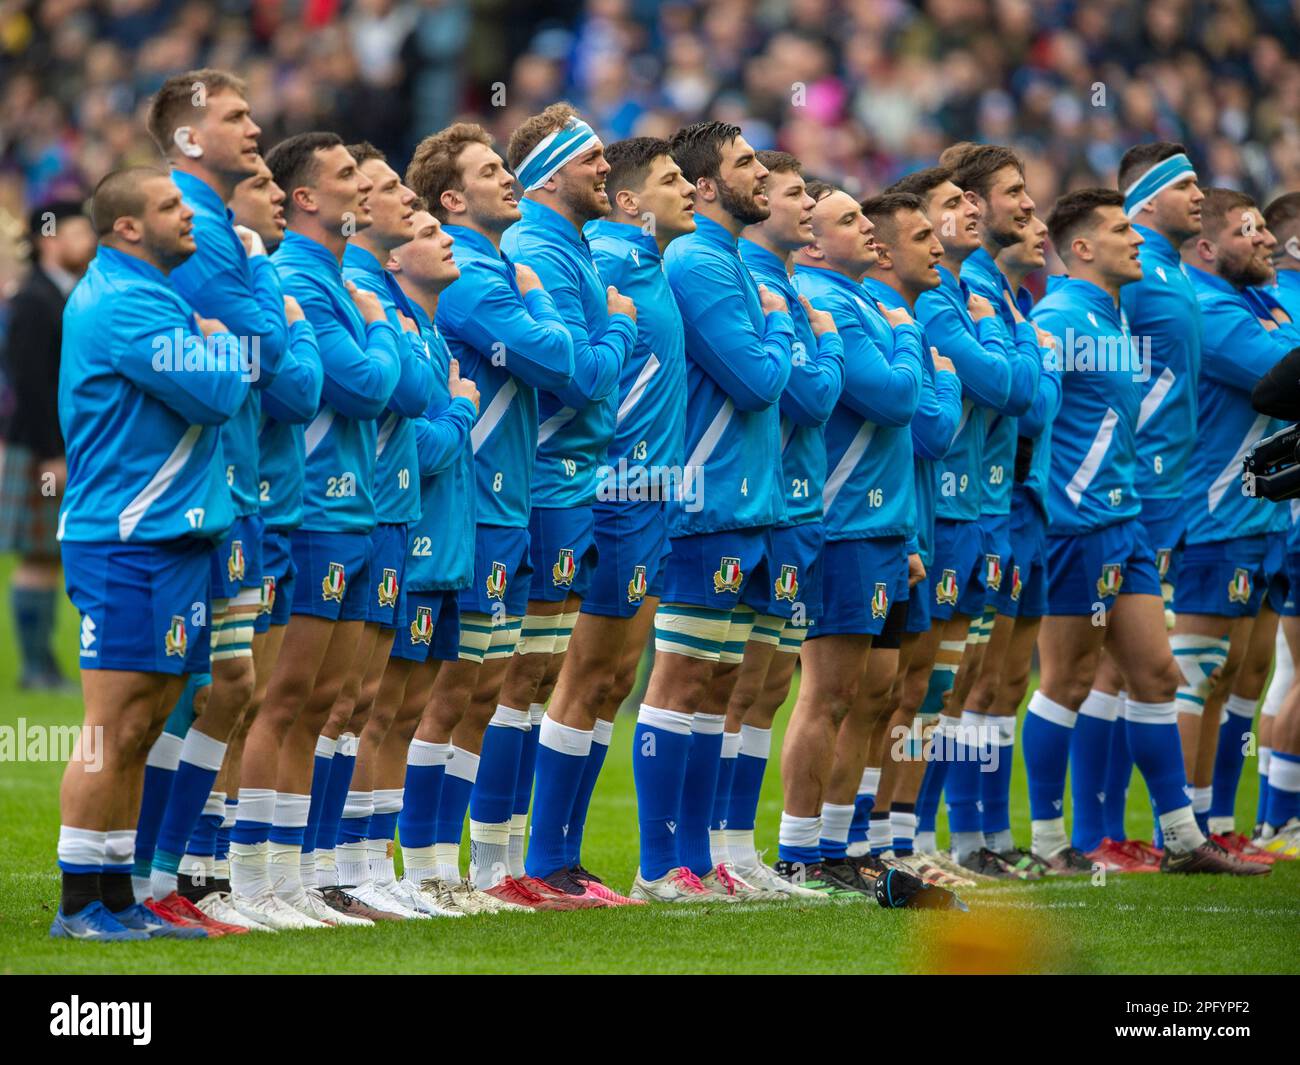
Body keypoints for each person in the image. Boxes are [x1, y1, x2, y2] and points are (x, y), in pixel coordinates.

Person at [1025, 187, 1263, 875]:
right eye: (1119, 230)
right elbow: (1029, 416)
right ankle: (1045, 843)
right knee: (1067, 680)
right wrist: (1055, 504)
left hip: (1123, 525)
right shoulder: (1061, 316)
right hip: (1077, 528)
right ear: (1080, 248)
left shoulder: (1112, 317)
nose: (1136, 240)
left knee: (1158, 675)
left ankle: (1185, 839)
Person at [52, 166, 248, 940]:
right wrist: (225, 345)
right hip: (126, 537)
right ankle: (79, 905)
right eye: (171, 206)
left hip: (164, 536)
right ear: (128, 227)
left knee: (143, 722)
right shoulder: (128, 301)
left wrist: (212, 342)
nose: (189, 215)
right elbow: (221, 395)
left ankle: (118, 895)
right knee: (114, 722)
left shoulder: (153, 295)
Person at [404, 122, 576, 912]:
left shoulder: (499, 266)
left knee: (484, 690)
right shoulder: (470, 274)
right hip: (468, 508)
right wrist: (566, 316)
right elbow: (562, 362)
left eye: (508, 167)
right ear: (450, 198)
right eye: (490, 170)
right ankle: (423, 865)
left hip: (507, 507)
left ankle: (470, 869)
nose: (509, 179)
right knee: (448, 692)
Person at [233, 132, 403, 926]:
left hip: (351, 511)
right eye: (346, 177)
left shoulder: (330, 279)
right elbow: (370, 387)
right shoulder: (299, 274)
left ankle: (294, 875)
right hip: (313, 513)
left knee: (323, 700)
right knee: (284, 699)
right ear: (306, 199)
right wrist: (377, 327)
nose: (362, 189)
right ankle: (251, 880)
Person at [625, 121, 795, 902]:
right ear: (703, 185)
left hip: (743, 502)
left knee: (719, 687)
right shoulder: (696, 261)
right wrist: (790, 322)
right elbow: (760, 381)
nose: (759, 173)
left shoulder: (722, 258)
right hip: (705, 503)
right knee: (681, 681)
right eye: (745, 163)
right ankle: (661, 864)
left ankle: (700, 860)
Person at [525, 135, 694, 901]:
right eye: (669, 180)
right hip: (615, 490)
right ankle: (541, 860)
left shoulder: (652, 264)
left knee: (616, 677)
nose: (686, 188)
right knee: (584, 674)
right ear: (631, 204)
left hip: (654, 493)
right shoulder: (609, 260)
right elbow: (581, 370)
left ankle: (568, 857)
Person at [482, 104, 637, 904]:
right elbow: (575, 375)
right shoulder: (538, 244)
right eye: (593, 161)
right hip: (542, 481)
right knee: (516, 677)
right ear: (550, 173)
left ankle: (521, 863)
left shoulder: (566, 245)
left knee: (535, 674)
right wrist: (616, 329)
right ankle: (497, 866)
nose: (606, 170)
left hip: (568, 483)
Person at [776, 182, 924, 897]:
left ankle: (844, 840)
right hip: (841, 524)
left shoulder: (866, 301)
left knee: (873, 693)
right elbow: (899, 398)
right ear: (812, 243)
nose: (870, 228)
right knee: (828, 693)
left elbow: (924, 421)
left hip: (884, 525)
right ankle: (802, 847)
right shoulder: (829, 301)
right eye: (848, 220)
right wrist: (906, 338)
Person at [1081, 144, 1207, 870]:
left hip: (1167, 489)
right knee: (1109, 667)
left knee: (1134, 667)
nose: (1200, 193)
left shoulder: (1168, 272)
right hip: (1139, 491)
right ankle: (1096, 833)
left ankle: (1142, 832)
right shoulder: (1132, 273)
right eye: (1184, 184)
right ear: (1145, 201)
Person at [727, 149, 844, 898]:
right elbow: (806, 395)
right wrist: (827, 342)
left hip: (793, 507)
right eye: (795, 194)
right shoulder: (760, 280)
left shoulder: (786, 285)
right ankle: (709, 853)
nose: (807, 206)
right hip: (756, 504)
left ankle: (738, 854)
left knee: (763, 689)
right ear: (755, 201)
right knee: (732, 689)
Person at [0, 200, 94, 691]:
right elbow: (32, 385)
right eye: (78, 232)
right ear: (48, 240)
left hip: (58, 446)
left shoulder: (64, 293)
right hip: (42, 449)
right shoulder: (36, 299)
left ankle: (43, 665)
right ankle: (35, 668)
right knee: (39, 557)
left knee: (53, 556)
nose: (90, 241)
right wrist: (52, 454)